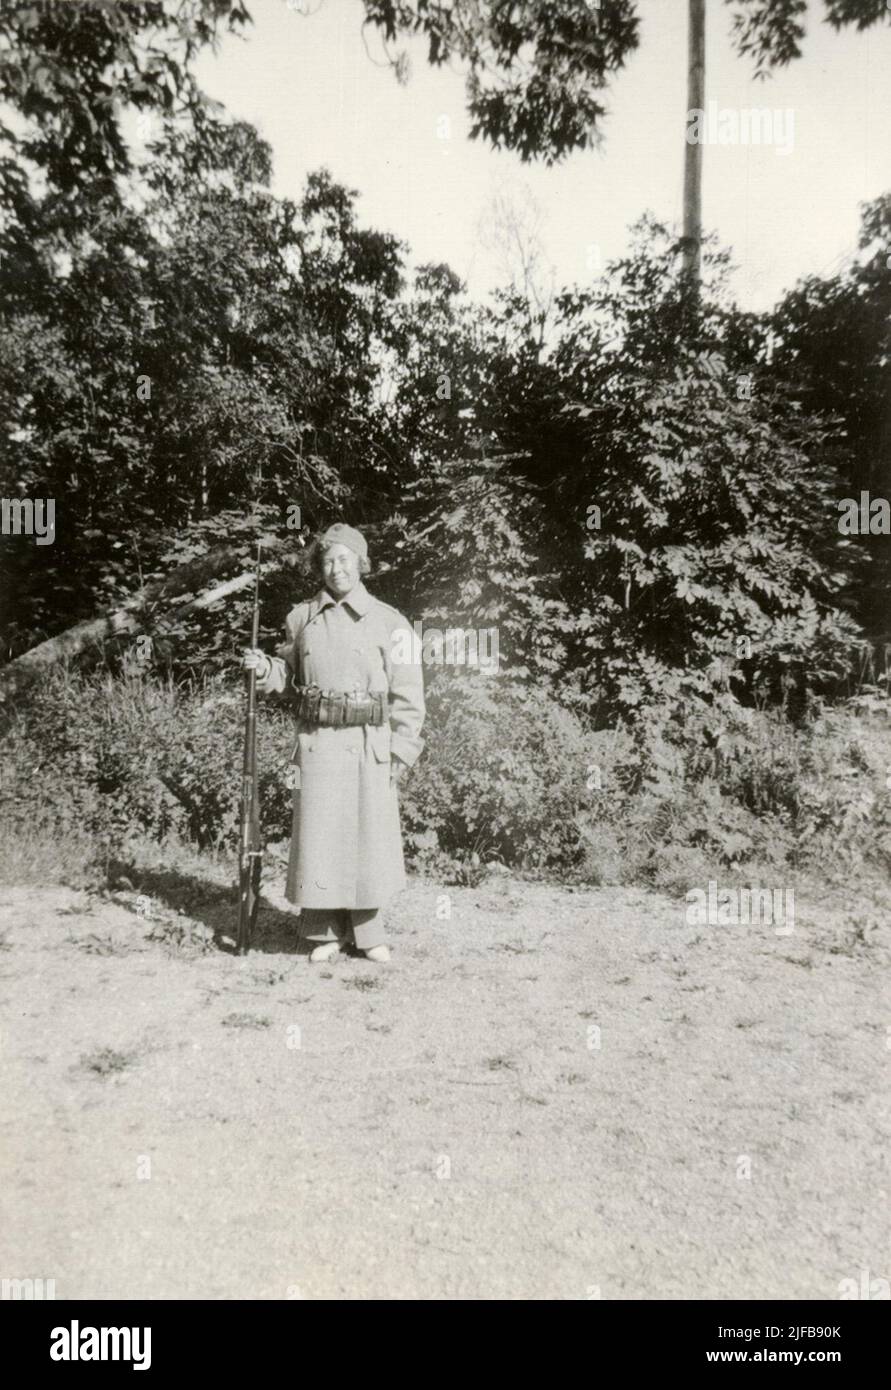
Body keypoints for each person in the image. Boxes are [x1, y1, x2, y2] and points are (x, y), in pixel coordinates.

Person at [242, 523, 424, 963]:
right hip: (318, 742)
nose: (336, 569)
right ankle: (323, 932)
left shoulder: (391, 621)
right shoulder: (301, 618)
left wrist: (402, 749)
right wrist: (265, 669)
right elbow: (289, 677)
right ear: (318, 568)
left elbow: (410, 693)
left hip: (369, 744)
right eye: (327, 561)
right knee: (320, 836)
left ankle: (368, 933)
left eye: (344, 559)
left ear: (361, 564)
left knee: (369, 837)